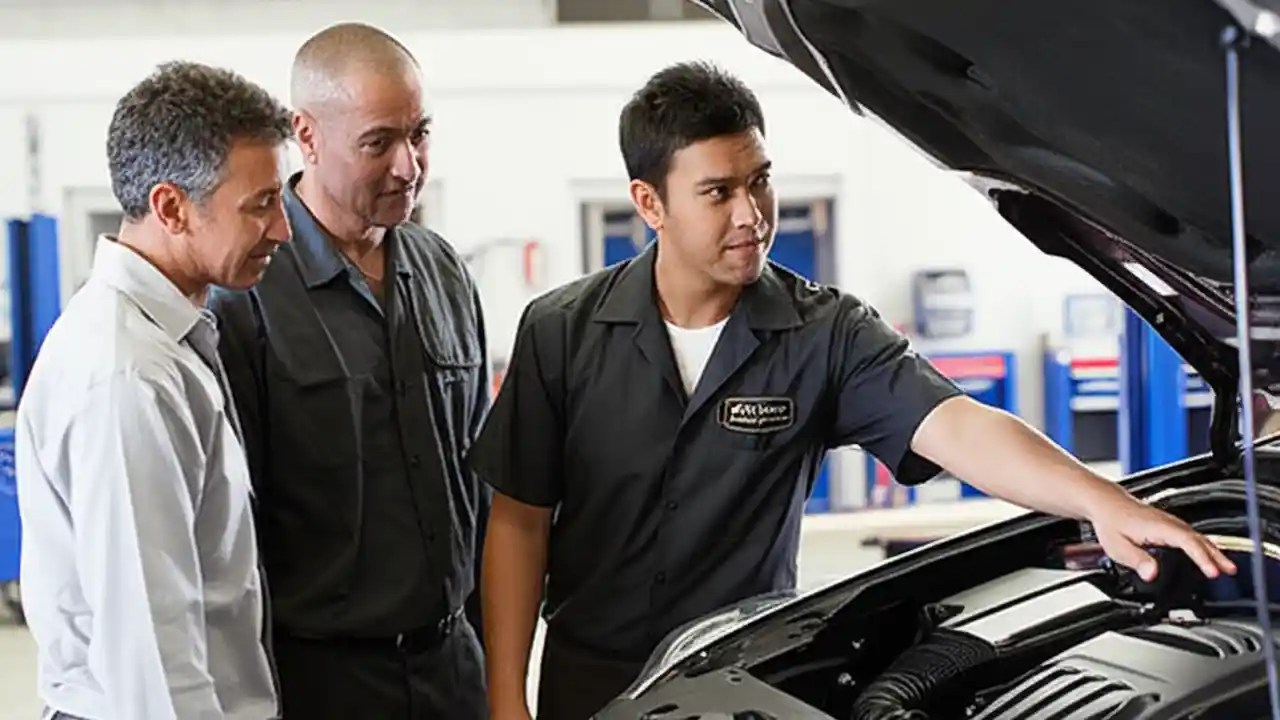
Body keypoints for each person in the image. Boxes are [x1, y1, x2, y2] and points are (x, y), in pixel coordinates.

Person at [469, 60, 1240, 720]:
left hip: (742, 686)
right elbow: (519, 523)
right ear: (649, 204)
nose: (751, 216)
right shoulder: (560, 332)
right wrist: (507, 699)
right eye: (717, 193)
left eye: (760, 181)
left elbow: (959, 424)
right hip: (591, 688)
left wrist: (1102, 502)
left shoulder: (825, 334)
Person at [207, 21, 490, 719]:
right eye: (378, 143)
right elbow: (230, 536)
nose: (409, 166)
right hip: (321, 684)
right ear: (305, 135)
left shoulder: (444, 272)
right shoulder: (246, 297)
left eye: (419, 133)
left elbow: (480, 486)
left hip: (454, 670)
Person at [14, 61, 292, 720]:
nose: (282, 229)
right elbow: (151, 649)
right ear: (172, 207)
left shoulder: (167, 339)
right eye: (259, 204)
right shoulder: (127, 376)